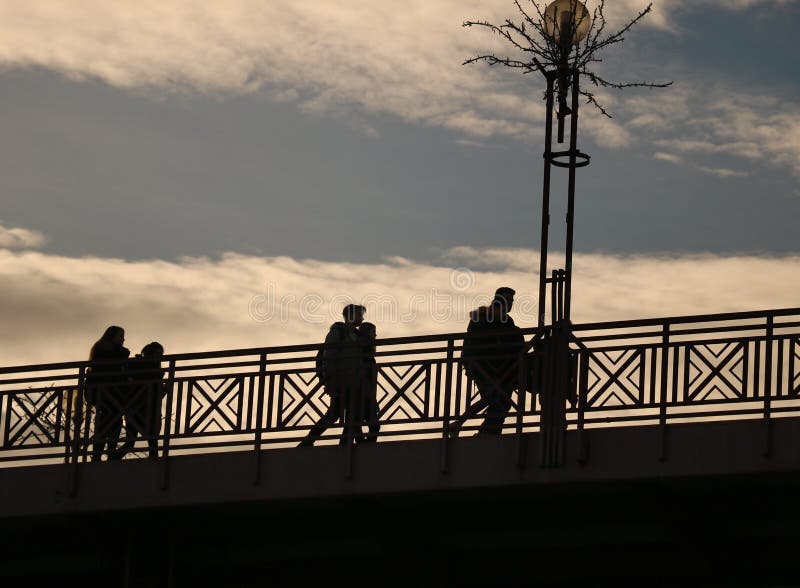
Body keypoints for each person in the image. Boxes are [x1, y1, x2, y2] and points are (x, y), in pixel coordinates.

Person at [450, 287, 525, 437]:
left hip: (502, 370)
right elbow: (475, 345)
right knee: (496, 399)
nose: (510, 304)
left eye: (511, 301)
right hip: (483, 368)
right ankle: (481, 431)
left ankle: (486, 432)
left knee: (498, 401)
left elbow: (514, 345)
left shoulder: (507, 322)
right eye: (507, 300)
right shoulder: (481, 318)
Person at [299, 304, 367, 447]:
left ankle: (345, 444)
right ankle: (309, 441)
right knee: (335, 414)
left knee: (350, 414)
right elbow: (329, 357)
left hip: (353, 382)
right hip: (341, 382)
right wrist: (330, 381)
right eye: (360, 315)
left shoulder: (355, 335)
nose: (362, 318)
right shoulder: (338, 332)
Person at [85, 325, 130, 461]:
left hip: (108, 394)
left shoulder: (99, 349)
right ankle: (105, 455)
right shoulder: (105, 351)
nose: (123, 339)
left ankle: (102, 455)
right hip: (107, 394)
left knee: (110, 421)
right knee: (110, 422)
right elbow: (113, 367)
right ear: (112, 337)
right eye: (120, 336)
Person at [117, 342, 166, 459]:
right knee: (150, 441)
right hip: (141, 408)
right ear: (150, 353)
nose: (160, 356)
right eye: (158, 353)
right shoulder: (147, 368)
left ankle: (112, 458)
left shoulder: (137, 365)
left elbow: (155, 393)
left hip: (138, 408)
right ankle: (155, 465)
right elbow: (149, 390)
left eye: (161, 354)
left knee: (134, 442)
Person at [356, 321, 380, 443]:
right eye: (373, 333)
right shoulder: (364, 354)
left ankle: (363, 447)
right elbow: (364, 375)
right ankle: (365, 448)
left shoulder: (363, 352)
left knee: (354, 425)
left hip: (362, 393)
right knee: (373, 426)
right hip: (363, 394)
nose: (375, 336)